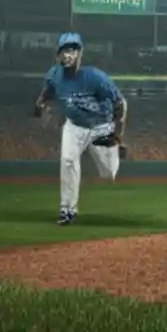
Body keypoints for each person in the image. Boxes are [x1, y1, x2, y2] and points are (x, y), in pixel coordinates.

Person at [33, 32, 128, 225]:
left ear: (80, 53)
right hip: (74, 126)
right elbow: (49, 90)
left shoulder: (95, 77)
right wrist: (40, 103)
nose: (69, 54)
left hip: (101, 126)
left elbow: (120, 103)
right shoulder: (54, 75)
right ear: (58, 54)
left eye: (73, 49)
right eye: (65, 50)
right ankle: (67, 209)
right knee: (68, 161)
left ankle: (113, 153)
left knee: (108, 173)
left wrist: (118, 135)